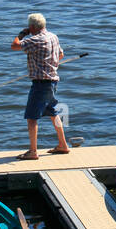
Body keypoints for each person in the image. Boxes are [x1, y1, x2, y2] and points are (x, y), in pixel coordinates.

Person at [11, 13, 70, 160]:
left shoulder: (35, 39)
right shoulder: (53, 37)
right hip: (52, 81)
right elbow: (61, 55)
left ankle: (32, 151)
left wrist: (21, 34)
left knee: (32, 117)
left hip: (41, 83)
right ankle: (63, 145)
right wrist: (48, 64)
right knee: (52, 112)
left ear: (32, 27)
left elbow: (15, 45)